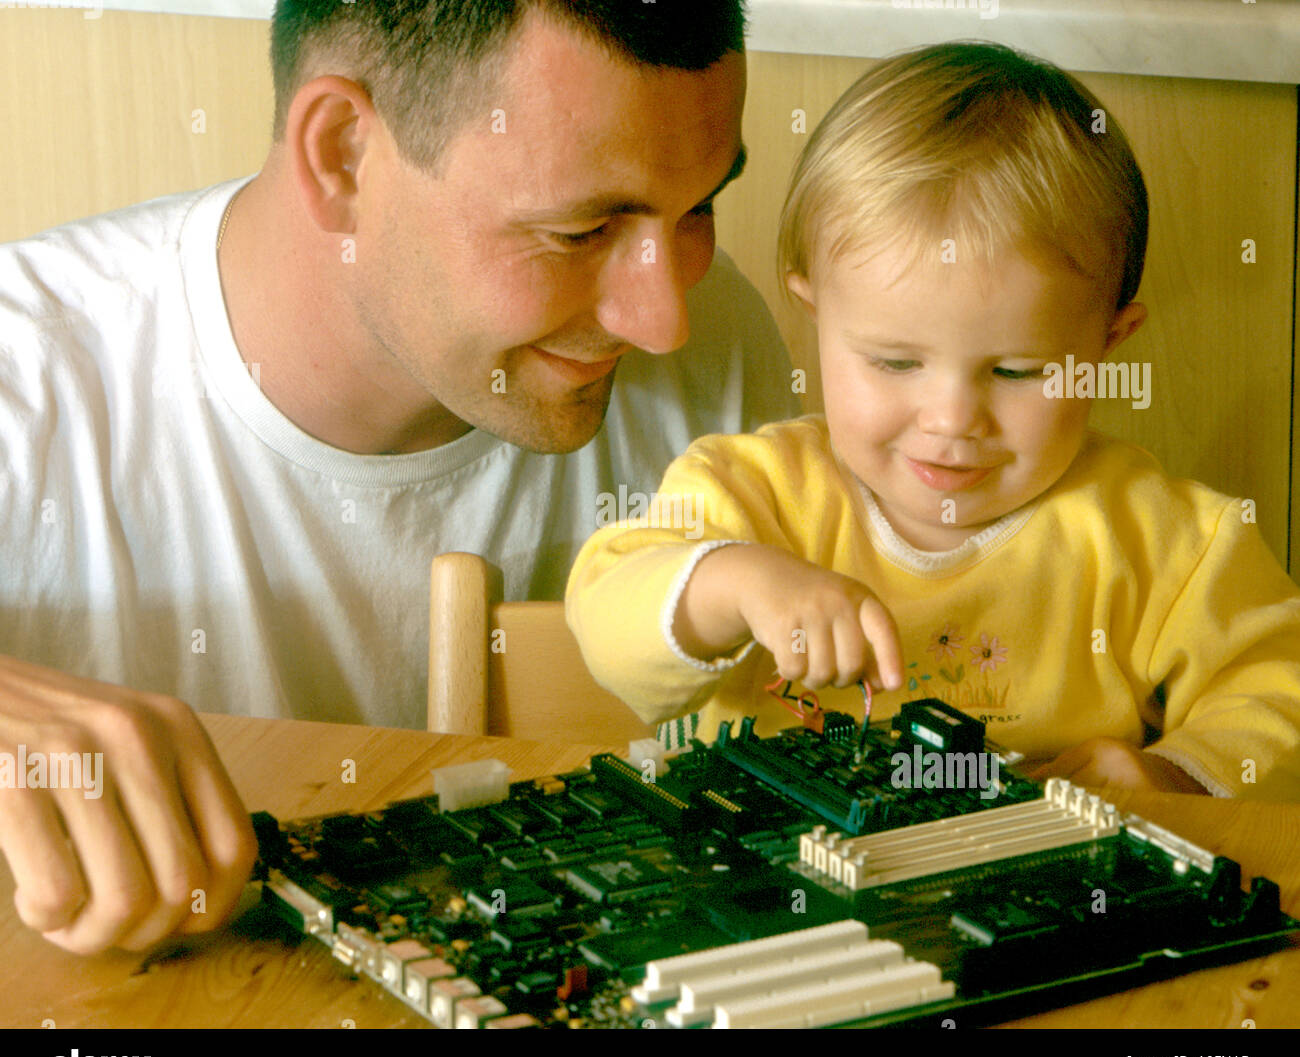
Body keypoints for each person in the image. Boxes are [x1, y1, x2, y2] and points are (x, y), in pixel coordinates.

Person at [0, 0, 797, 954]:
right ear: (342, 154)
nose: (662, 318)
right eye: (581, 230)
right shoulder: (28, 384)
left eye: (699, 205)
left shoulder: (717, 345)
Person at [566, 41, 1300, 801]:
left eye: (1017, 371)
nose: (952, 420)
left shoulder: (1161, 540)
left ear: (1108, 343)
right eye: (893, 362)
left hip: (1041, 899)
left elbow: (1279, 688)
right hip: (776, 898)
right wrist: (734, 581)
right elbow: (605, 616)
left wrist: (1173, 771)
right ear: (814, 314)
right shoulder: (751, 496)